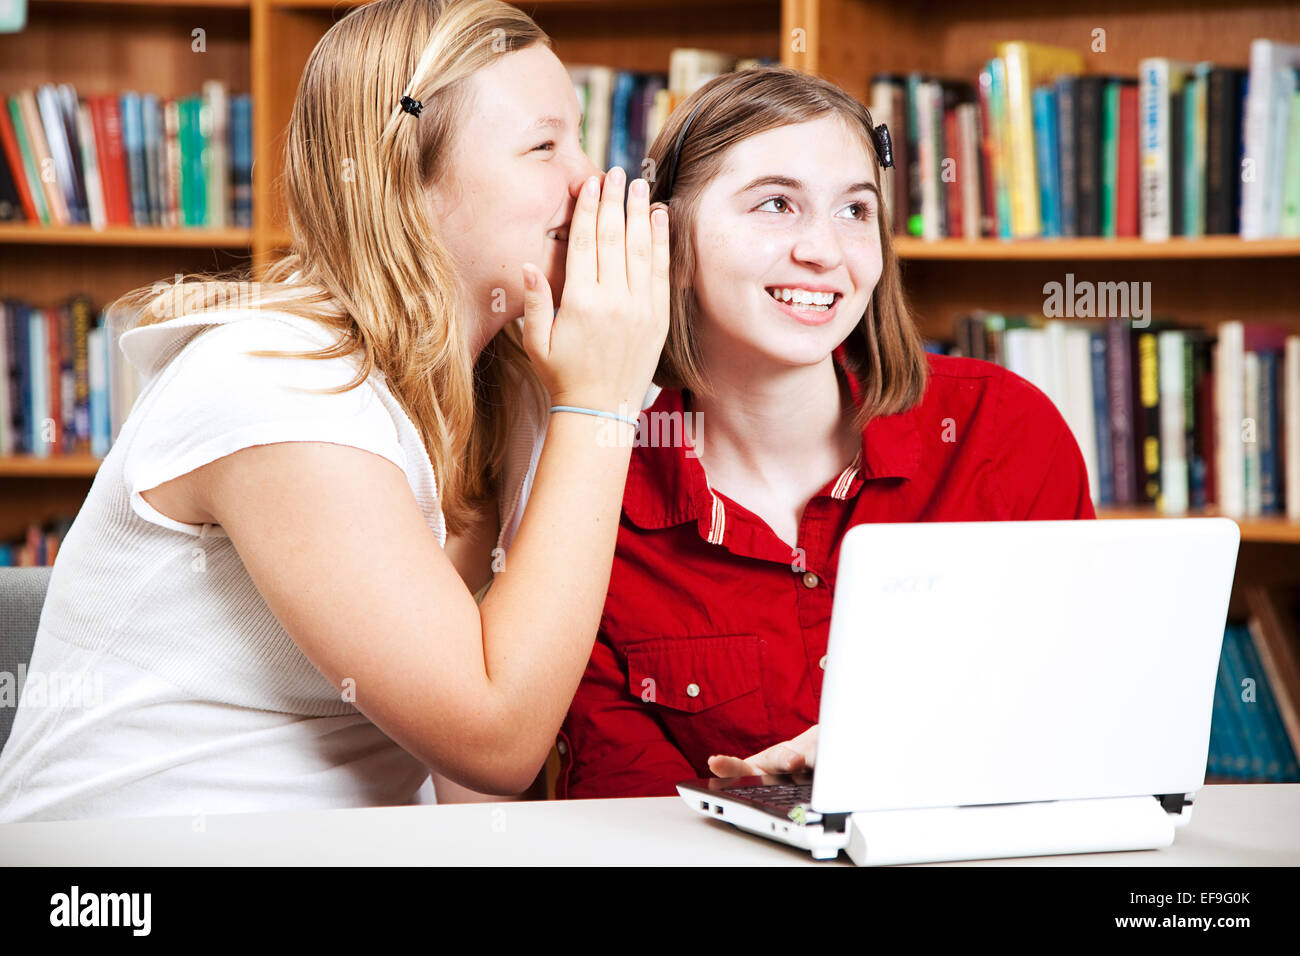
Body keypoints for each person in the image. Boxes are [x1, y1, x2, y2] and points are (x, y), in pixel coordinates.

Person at [0, 0, 668, 821]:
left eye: (583, 141)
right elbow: (495, 738)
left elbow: (465, 785)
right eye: (544, 146)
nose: (592, 183)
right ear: (405, 184)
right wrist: (600, 406)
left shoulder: (514, 379)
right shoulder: (275, 382)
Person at [556, 67, 1095, 799]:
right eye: (777, 204)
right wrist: (753, 802)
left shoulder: (1003, 431)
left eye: (855, 210)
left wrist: (898, 758)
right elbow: (621, 807)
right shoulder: (592, 499)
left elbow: (1076, 708)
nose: (826, 251)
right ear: (668, 242)